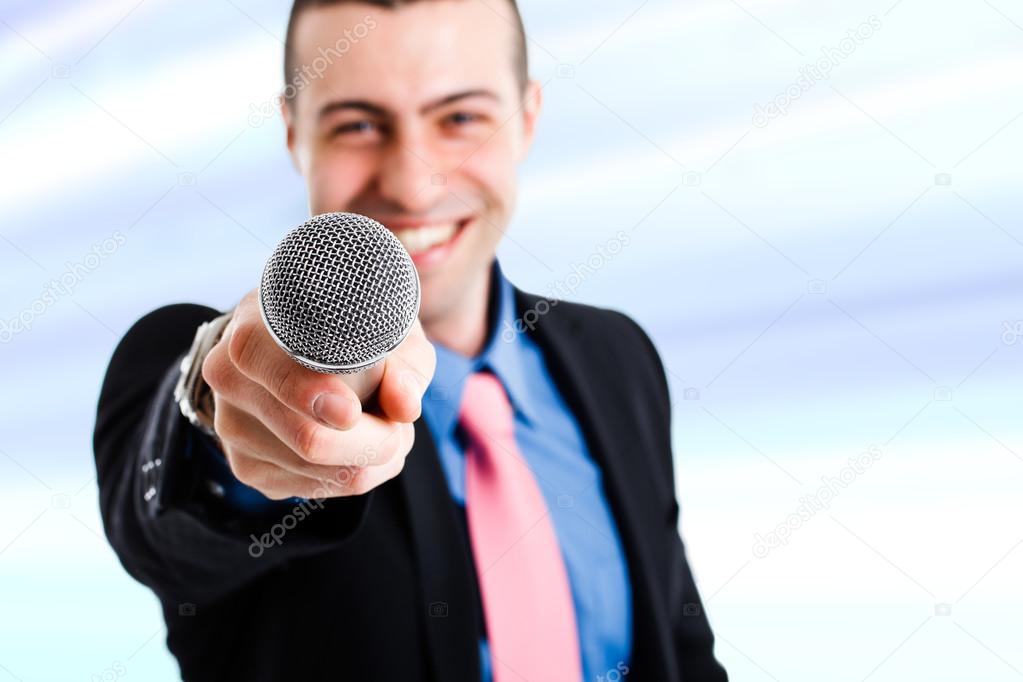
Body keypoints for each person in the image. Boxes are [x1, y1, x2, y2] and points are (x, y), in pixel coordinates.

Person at [93, 1, 729, 680]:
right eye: (357, 125)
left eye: (460, 118)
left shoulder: (617, 357)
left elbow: (681, 650)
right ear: (292, 132)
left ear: (528, 117)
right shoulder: (224, 373)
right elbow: (173, 517)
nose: (411, 184)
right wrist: (227, 418)